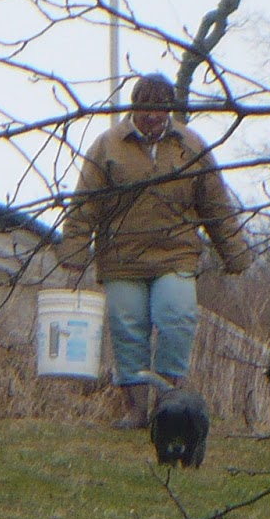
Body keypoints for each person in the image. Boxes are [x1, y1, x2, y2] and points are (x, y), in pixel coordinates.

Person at [57, 72, 252, 429]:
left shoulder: (191, 146)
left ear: (169, 110)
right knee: (128, 328)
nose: (152, 117)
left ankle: (168, 404)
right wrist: (74, 252)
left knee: (176, 317)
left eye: (160, 110)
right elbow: (85, 204)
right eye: (145, 110)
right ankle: (135, 410)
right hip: (122, 258)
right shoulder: (107, 147)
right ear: (134, 109)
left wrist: (234, 252)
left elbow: (216, 205)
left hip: (176, 254)